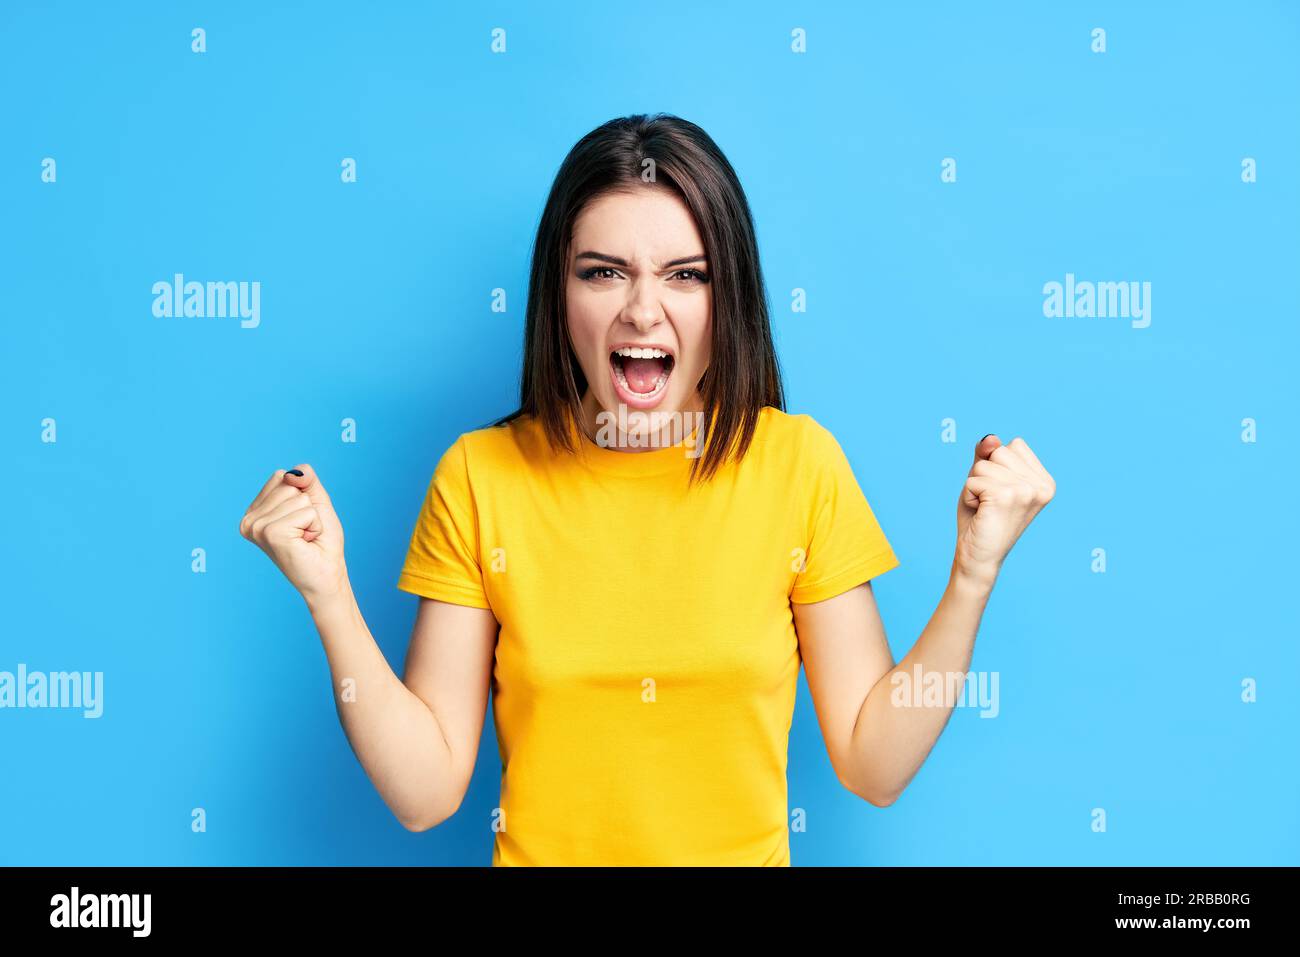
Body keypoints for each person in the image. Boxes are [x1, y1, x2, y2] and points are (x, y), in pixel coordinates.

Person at [238, 113, 1055, 866]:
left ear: (728, 297)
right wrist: (329, 595)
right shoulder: (481, 477)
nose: (641, 310)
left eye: (685, 275)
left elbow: (874, 764)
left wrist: (973, 575)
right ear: (559, 295)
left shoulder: (798, 466)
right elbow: (425, 794)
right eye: (603, 272)